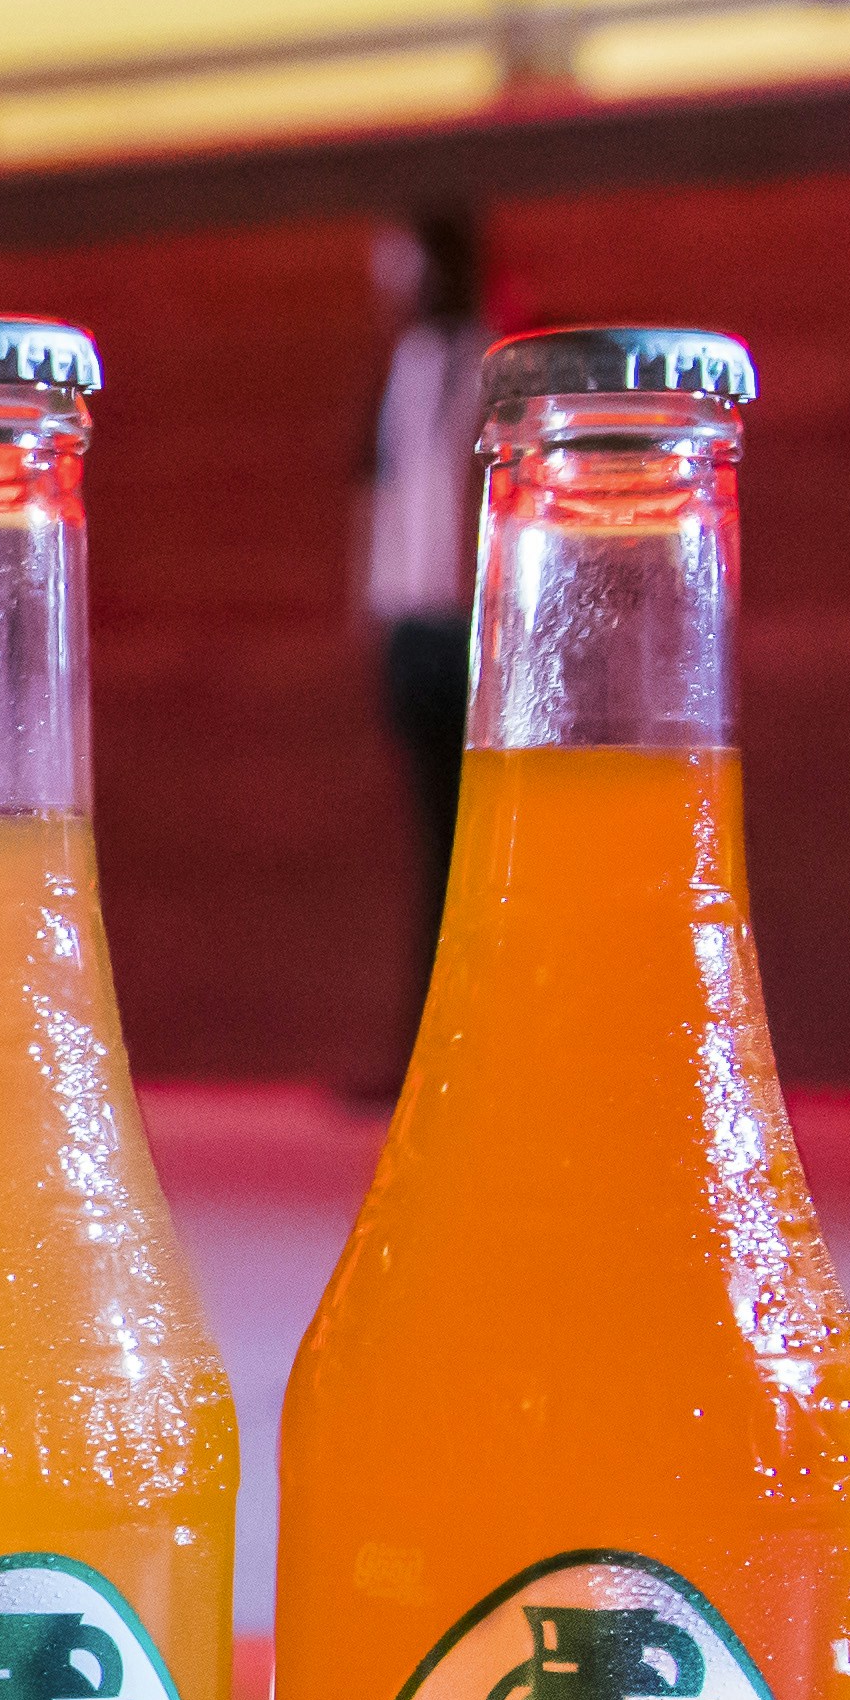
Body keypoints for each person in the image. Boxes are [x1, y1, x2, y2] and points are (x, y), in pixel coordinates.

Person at [350, 204, 487, 1088]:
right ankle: (423, 1054)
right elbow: (376, 489)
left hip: (473, 629)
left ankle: (463, 1054)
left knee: (477, 847)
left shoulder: (491, 355)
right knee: (433, 846)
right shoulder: (401, 367)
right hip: (411, 629)